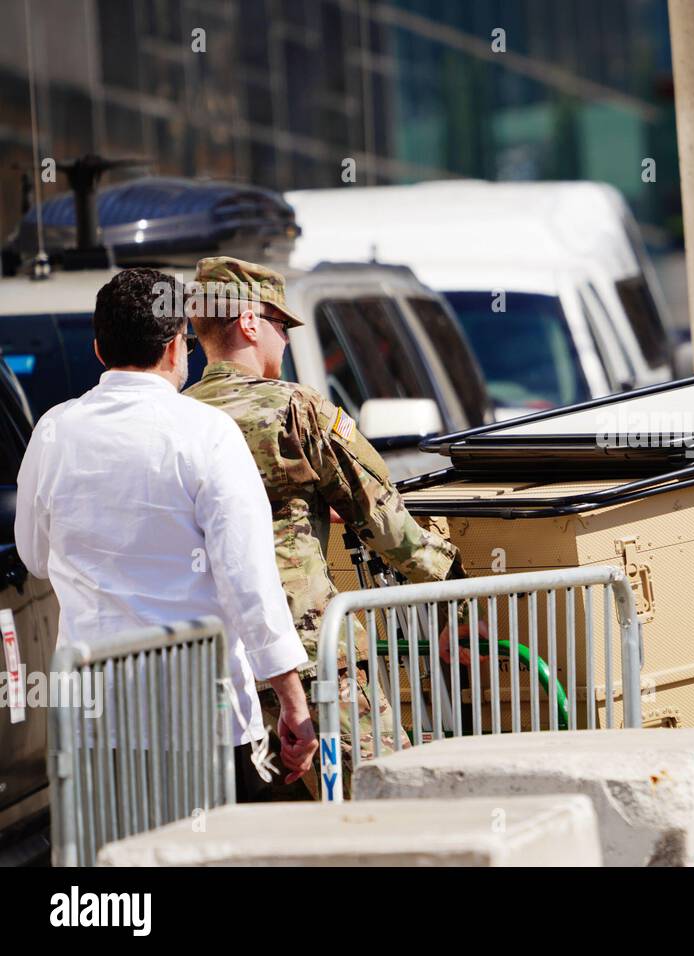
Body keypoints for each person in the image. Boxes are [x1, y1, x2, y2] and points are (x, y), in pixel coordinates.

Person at [15, 267, 316, 802]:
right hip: (201, 714)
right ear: (178, 347)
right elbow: (249, 581)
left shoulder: (54, 430)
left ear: (99, 350)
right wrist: (292, 700)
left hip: (92, 719)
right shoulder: (207, 432)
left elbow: (35, 557)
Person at [183, 257, 463, 796]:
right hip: (308, 654)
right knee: (391, 797)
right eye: (281, 325)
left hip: (215, 664)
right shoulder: (296, 409)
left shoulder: (177, 416)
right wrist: (453, 576)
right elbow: (384, 522)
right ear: (248, 323)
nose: (285, 340)